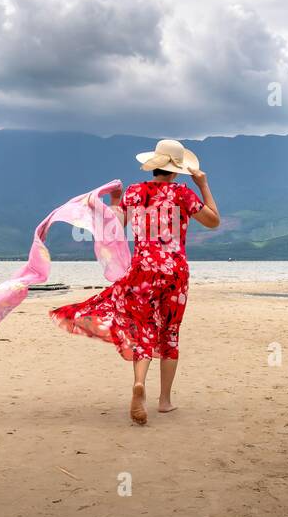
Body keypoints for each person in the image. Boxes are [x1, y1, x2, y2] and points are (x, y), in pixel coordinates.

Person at [50, 139, 220, 425]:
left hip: (142, 270)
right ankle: (164, 401)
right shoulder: (183, 193)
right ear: (177, 170)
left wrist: (115, 201)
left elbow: (116, 225)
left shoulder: (134, 192)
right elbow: (213, 221)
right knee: (170, 333)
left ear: (154, 165)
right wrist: (202, 184)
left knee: (143, 329)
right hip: (174, 272)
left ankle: (139, 382)